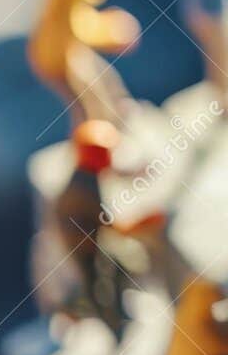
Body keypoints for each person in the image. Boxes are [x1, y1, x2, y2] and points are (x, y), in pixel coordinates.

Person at [50, 119, 166, 335]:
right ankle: (113, 325)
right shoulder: (85, 188)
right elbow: (109, 226)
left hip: (85, 241)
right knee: (101, 283)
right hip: (84, 246)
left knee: (105, 277)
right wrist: (143, 223)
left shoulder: (84, 175)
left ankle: (109, 318)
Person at [28, 0, 140, 128]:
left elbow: (86, 24)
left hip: (67, 55)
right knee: (88, 96)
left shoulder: (68, 8)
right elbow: (85, 32)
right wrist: (115, 34)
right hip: (61, 63)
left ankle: (113, 117)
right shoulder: (60, 16)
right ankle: (98, 131)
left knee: (103, 79)